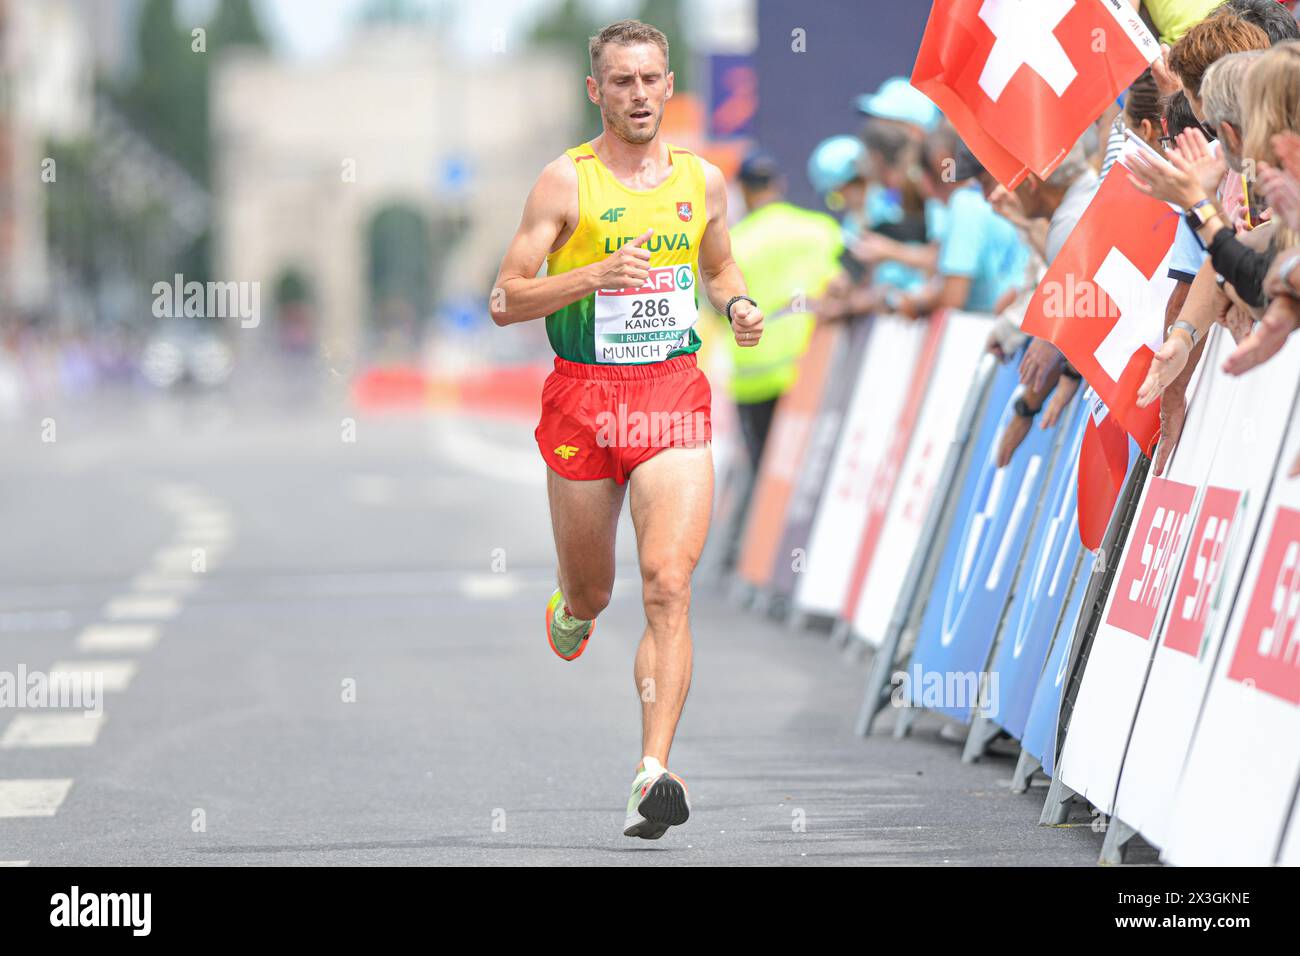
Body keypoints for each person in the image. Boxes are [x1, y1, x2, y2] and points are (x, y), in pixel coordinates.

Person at [489, 18, 763, 840]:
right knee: (596, 591)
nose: (637, 95)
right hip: (583, 399)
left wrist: (740, 303)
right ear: (595, 91)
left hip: (671, 392)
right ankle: (570, 610)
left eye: (650, 80)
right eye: (621, 82)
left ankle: (653, 771)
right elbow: (505, 297)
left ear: (668, 85)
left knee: (668, 584)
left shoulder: (703, 182)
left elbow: (716, 264)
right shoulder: (563, 184)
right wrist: (592, 276)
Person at [723, 150, 843, 470]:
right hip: (811, 369)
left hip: (756, 379)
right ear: (780, 185)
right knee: (810, 471)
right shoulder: (820, 229)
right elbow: (840, 287)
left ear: (743, 191)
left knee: (768, 479)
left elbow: (712, 306)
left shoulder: (731, 245)